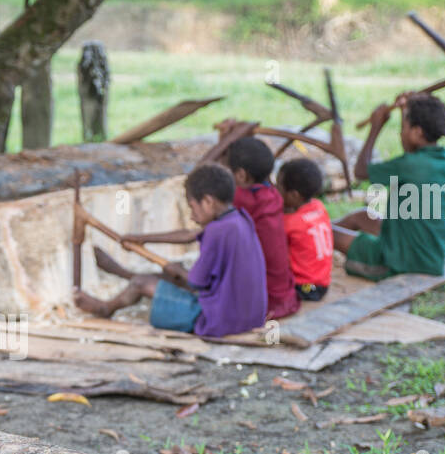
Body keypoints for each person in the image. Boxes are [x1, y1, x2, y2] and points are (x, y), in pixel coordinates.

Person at [72, 163, 267, 338]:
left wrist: (177, 270)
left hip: (220, 322)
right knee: (171, 273)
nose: (192, 216)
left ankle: (106, 308)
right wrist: (142, 239)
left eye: (193, 207)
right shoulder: (239, 219)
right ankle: (122, 274)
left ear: (208, 202)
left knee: (142, 283)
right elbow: (189, 234)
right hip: (252, 317)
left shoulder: (216, 231)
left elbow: (195, 281)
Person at [333, 92, 445, 280]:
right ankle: (316, 245)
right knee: (362, 215)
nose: (401, 132)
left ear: (417, 132)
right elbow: (411, 149)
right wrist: (405, 111)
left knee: (326, 232)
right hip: (429, 256)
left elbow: (360, 171)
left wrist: (375, 127)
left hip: (397, 262)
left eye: (404, 126)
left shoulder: (410, 164)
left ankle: (310, 240)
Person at [227, 136, 299, 320]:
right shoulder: (273, 193)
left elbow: (206, 174)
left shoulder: (242, 199)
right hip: (284, 293)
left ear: (241, 175)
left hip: (266, 298)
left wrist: (227, 138)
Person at [276, 158, 333, 301]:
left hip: (305, 288)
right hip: (323, 284)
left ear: (294, 195)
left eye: (279, 187)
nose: (276, 191)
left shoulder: (289, 223)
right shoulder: (319, 206)